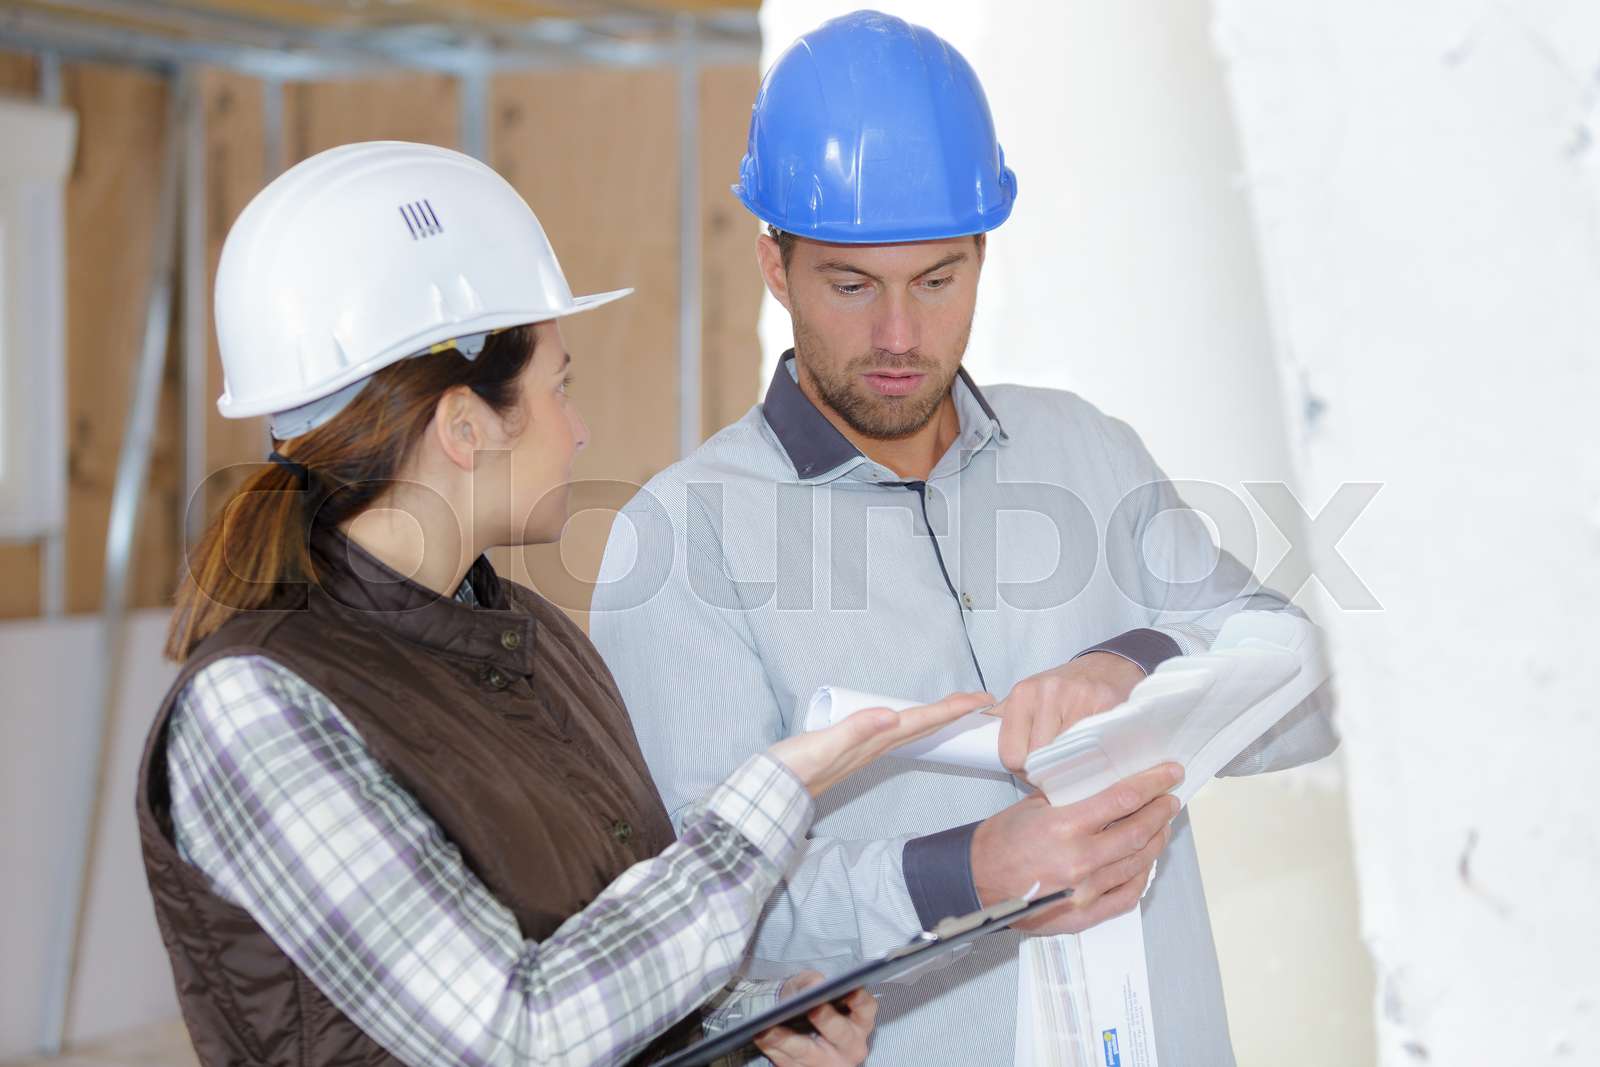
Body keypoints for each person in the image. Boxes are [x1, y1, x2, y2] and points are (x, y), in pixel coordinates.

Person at [133, 140, 1009, 1067]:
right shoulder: (255, 711)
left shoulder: (533, 642)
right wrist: (772, 798)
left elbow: (607, 974)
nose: (578, 427)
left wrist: (749, 1039)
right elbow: (521, 1035)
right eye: (559, 387)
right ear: (465, 426)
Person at [590, 11, 1341, 1066]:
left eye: (938, 280)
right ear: (775, 264)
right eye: (851, 285)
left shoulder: (1086, 449)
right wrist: (970, 868)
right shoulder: (682, 538)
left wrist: (1134, 665)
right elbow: (684, 918)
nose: (898, 336)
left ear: (982, 253)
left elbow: (1304, 692)